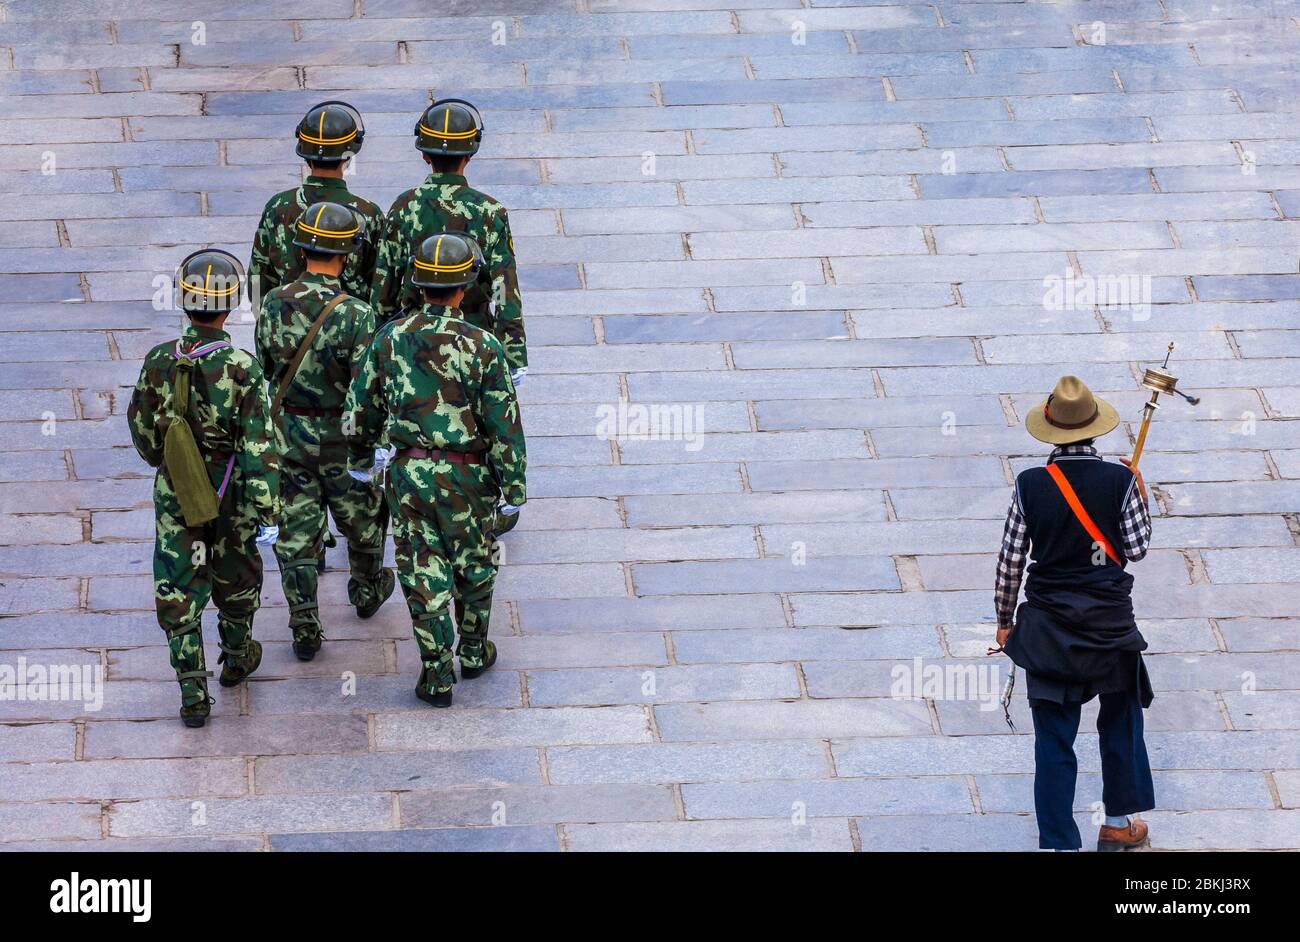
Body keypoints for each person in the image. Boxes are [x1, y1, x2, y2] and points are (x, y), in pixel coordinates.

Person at [345, 232, 526, 707]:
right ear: (465, 286)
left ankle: (436, 673)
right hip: (470, 475)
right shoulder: (484, 346)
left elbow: (358, 411)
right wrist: (514, 486)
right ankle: (472, 647)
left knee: (421, 569)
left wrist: (362, 460)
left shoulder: (390, 338)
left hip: (410, 475)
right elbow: (504, 423)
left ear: (417, 283)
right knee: (474, 562)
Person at [994, 375, 1156, 851]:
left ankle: (1061, 843)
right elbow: (1137, 548)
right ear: (1094, 429)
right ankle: (1120, 824)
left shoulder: (1030, 484)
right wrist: (1139, 494)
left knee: (1053, 742)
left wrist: (1005, 622)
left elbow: (1010, 562)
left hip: (1049, 631)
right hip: (1110, 629)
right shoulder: (1120, 480)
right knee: (1122, 725)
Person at [127, 250, 280, 727]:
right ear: (230, 306)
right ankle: (236, 657)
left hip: (178, 489)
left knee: (179, 583)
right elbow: (259, 446)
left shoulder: (157, 360)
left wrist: (171, 462)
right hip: (229, 490)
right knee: (235, 574)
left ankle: (193, 693)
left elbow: (141, 428)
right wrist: (267, 508)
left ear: (184, 301)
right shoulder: (242, 366)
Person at [256, 202, 395, 661]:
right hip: (339, 436)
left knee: (295, 533)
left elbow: (265, 369)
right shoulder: (356, 314)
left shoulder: (274, 302)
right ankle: (366, 590)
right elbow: (365, 390)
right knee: (365, 520)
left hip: (288, 433)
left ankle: (304, 624)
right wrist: (372, 448)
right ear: (347, 254)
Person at [368, 99, 527, 381]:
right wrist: (514, 355)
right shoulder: (490, 212)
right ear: (471, 153)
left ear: (424, 155)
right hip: (475, 340)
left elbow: (384, 287)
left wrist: (379, 343)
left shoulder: (403, 207)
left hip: (412, 342)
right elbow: (504, 291)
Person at [249, 100, 383, 307]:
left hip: (285, 324)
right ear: (349, 154)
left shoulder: (278, 206)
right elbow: (378, 286)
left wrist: (268, 322)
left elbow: (258, 279)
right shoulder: (368, 213)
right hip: (351, 328)